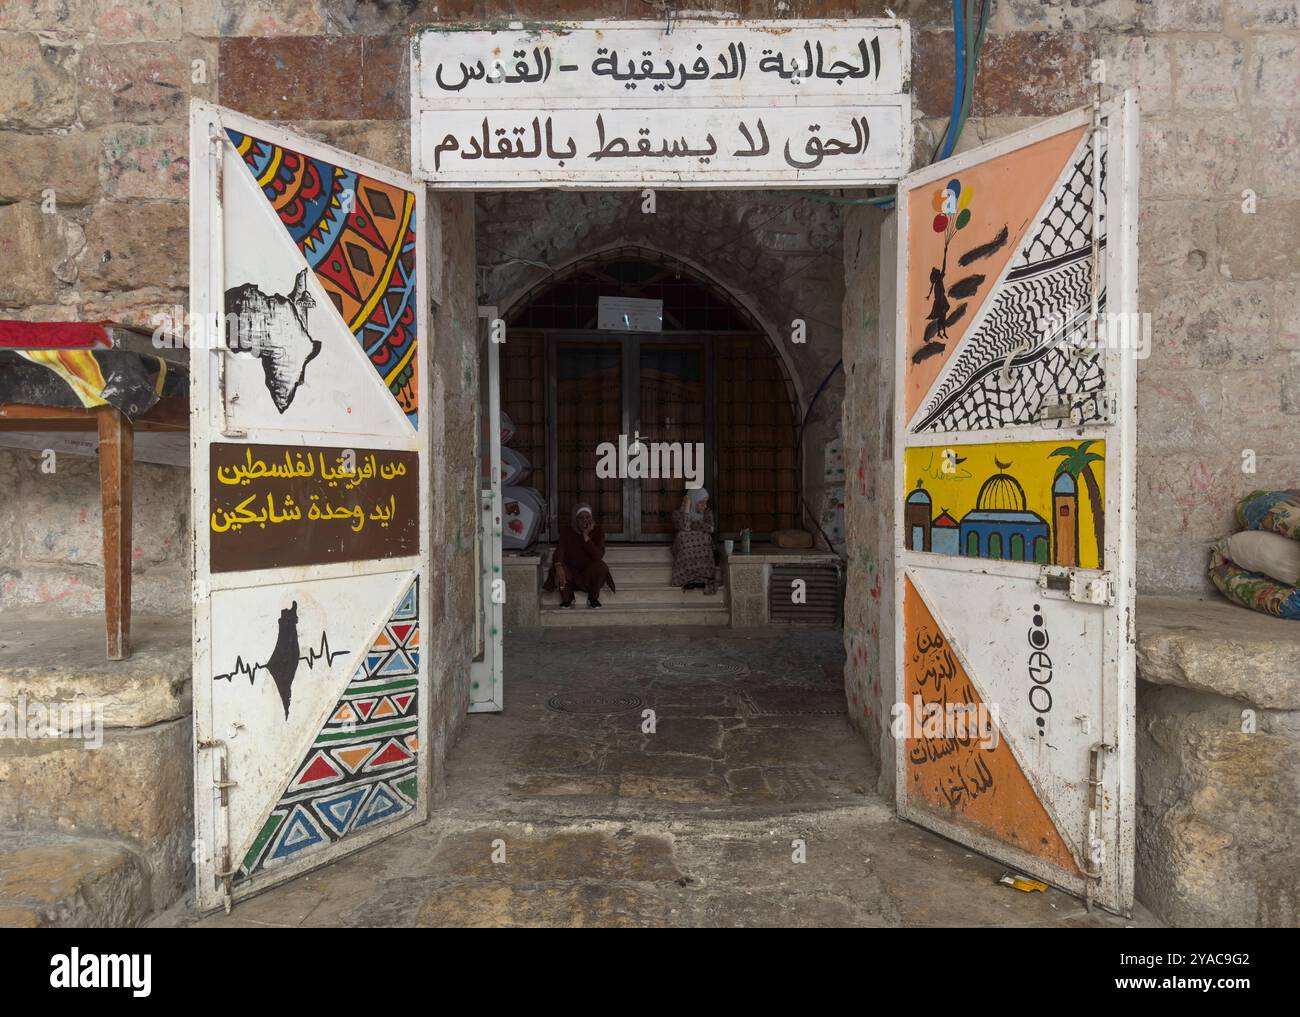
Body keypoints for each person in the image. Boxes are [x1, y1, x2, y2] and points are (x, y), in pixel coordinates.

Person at [544, 503, 615, 608]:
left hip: (588, 573)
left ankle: (593, 597)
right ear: (575, 520)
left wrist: (586, 536)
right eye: (580, 518)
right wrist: (558, 566)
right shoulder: (567, 531)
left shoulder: (598, 531)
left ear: (592, 518)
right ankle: (567, 598)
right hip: (571, 572)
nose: (585, 520)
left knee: (601, 567)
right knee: (558, 569)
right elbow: (559, 551)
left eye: (588, 517)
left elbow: (598, 556)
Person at [672, 488, 716, 593]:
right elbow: (686, 527)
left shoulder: (707, 512)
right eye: (701, 503)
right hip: (684, 544)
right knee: (683, 536)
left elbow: (710, 528)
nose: (705, 506)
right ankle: (688, 578)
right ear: (693, 501)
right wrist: (687, 508)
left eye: (706, 503)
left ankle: (702, 577)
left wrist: (693, 524)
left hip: (699, 544)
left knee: (705, 537)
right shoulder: (677, 514)